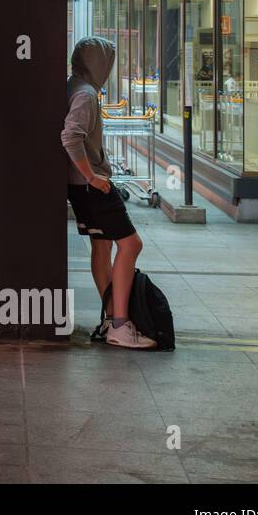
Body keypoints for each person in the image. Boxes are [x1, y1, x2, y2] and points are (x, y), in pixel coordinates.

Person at [62, 37, 153, 350]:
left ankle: (111, 318)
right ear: (99, 64)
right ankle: (120, 324)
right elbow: (70, 137)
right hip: (92, 184)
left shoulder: (71, 86)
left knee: (101, 249)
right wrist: (93, 176)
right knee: (131, 245)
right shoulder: (86, 95)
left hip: (79, 186)